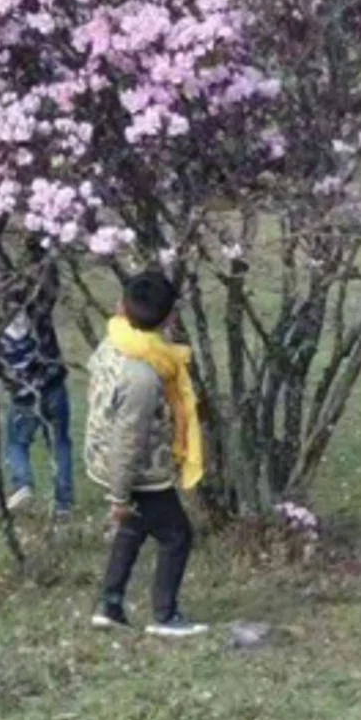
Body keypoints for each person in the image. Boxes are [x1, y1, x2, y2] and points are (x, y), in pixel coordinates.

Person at [84, 269, 207, 637]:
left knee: (133, 528)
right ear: (169, 318)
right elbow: (129, 438)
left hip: (106, 457)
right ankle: (165, 616)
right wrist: (119, 496)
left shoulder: (114, 341)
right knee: (176, 535)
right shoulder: (143, 375)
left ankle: (111, 605)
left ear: (121, 307)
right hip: (137, 470)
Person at [0, 252, 72, 518]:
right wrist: (44, 255)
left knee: (17, 444)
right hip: (53, 387)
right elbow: (51, 287)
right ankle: (64, 504)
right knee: (60, 443)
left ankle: (23, 483)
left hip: (23, 397)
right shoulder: (39, 314)